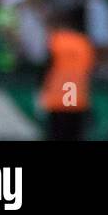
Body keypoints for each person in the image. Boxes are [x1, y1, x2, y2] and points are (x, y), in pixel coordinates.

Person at [40, 10, 95, 141]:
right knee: (74, 133)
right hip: (76, 94)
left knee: (57, 133)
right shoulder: (84, 43)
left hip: (58, 93)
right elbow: (89, 68)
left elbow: (46, 64)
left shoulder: (55, 40)